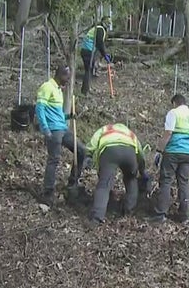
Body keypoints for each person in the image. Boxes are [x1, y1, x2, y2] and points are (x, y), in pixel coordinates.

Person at [36, 66, 88, 206]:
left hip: (63, 128)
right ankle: (47, 192)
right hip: (53, 130)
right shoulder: (47, 87)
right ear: (60, 75)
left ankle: (73, 182)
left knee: (81, 151)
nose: (68, 80)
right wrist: (45, 128)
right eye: (67, 77)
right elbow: (39, 109)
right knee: (54, 159)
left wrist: (68, 116)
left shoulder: (59, 90)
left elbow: (56, 114)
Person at [151, 94, 189, 223]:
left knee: (166, 181)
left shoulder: (173, 113)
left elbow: (168, 133)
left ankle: (160, 214)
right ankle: (184, 215)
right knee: (184, 183)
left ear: (174, 103)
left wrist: (159, 151)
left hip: (173, 152)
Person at [85, 122, 146, 226]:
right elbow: (140, 153)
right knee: (131, 179)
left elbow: (92, 145)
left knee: (104, 184)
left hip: (110, 151)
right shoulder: (130, 133)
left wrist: (88, 156)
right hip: (129, 152)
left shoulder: (105, 128)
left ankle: (97, 218)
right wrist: (142, 170)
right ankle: (128, 211)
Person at [78, 18, 109, 95]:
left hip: (85, 49)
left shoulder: (97, 28)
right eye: (108, 23)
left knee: (89, 70)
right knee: (88, 70)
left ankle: (86, 89)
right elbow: (100, 44)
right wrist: (105, 55)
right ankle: (85, 91)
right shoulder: (100, 29)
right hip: (88, 50)